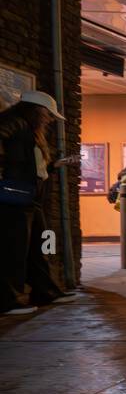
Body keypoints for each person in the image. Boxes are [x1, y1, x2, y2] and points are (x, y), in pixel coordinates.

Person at [0, 92, 77, 315]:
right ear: (36, 110)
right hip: (15, 197)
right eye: (48, 114)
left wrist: (55, 164)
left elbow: (36, 169)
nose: (50, 119)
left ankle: (46, 291)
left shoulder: (30, 130)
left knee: (41, 244)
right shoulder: (15, 123)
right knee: (14, 250)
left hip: (31, 198)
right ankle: (8, 300)